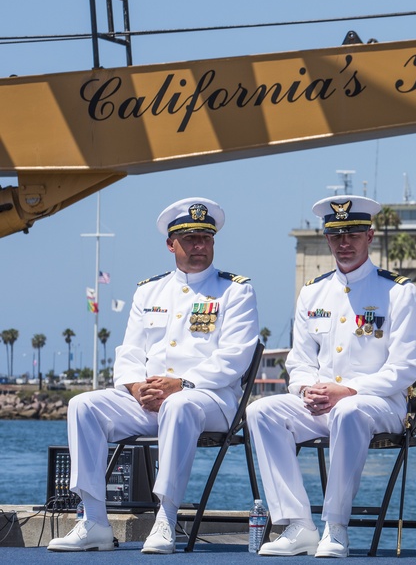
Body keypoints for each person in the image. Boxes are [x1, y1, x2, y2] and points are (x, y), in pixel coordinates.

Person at [47, 198, 260, 554]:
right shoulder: (149, 291)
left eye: (205, 239)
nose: (198, 246)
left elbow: (235, 358)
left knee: (178, 405)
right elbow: (129, 353)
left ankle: (166, 516)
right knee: (83, 405)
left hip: (212, 400)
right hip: (150, 401)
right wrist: (135, 387)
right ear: (170, 244)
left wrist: (181, 384)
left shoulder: (236, 291)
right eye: (189, 239)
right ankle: (94, 521)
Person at [246, 195, 416, 558]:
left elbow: (406, 368)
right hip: (323, 403)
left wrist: (349, 390)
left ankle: (336, 526)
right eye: (336, 235)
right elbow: (299, 361)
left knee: (348, 411)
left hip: (379, 404)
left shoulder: (398, 292)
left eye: (353, 234)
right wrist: (307, 388)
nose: (345, 243)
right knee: (261, 412)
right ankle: (297, 525)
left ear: (369, 236)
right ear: (327, 238)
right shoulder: (313, 292)